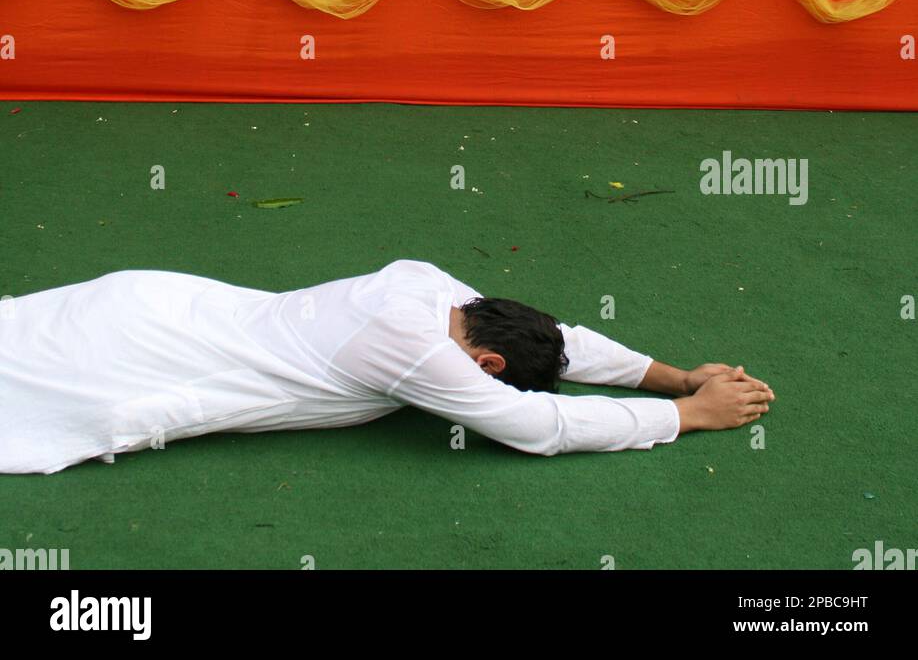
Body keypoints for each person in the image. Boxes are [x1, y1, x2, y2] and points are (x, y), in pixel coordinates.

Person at [0, 258, 774, 474]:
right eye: (483, 377)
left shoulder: (429, 286)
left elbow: (565, 340)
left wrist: (677, 375)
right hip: (134, 353)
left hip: (152, 299)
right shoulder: (418, 354)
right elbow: (540, 426)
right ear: (486, 358)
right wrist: (686, 415)